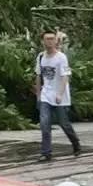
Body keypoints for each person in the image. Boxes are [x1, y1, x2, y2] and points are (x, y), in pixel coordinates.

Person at [34, 30, 81, 161]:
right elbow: (38, 76)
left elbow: (65, 76)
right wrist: (38, 95)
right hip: (46, 95)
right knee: (44, 123)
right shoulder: (40, 57)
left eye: (52, 39)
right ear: (42, 41)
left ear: (56, 41)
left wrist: (60, 94)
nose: (49, 41)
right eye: (47, 39)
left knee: (64, 123)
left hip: (60, 96)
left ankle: (75, 143)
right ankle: (46, 153)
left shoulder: (61, 57)